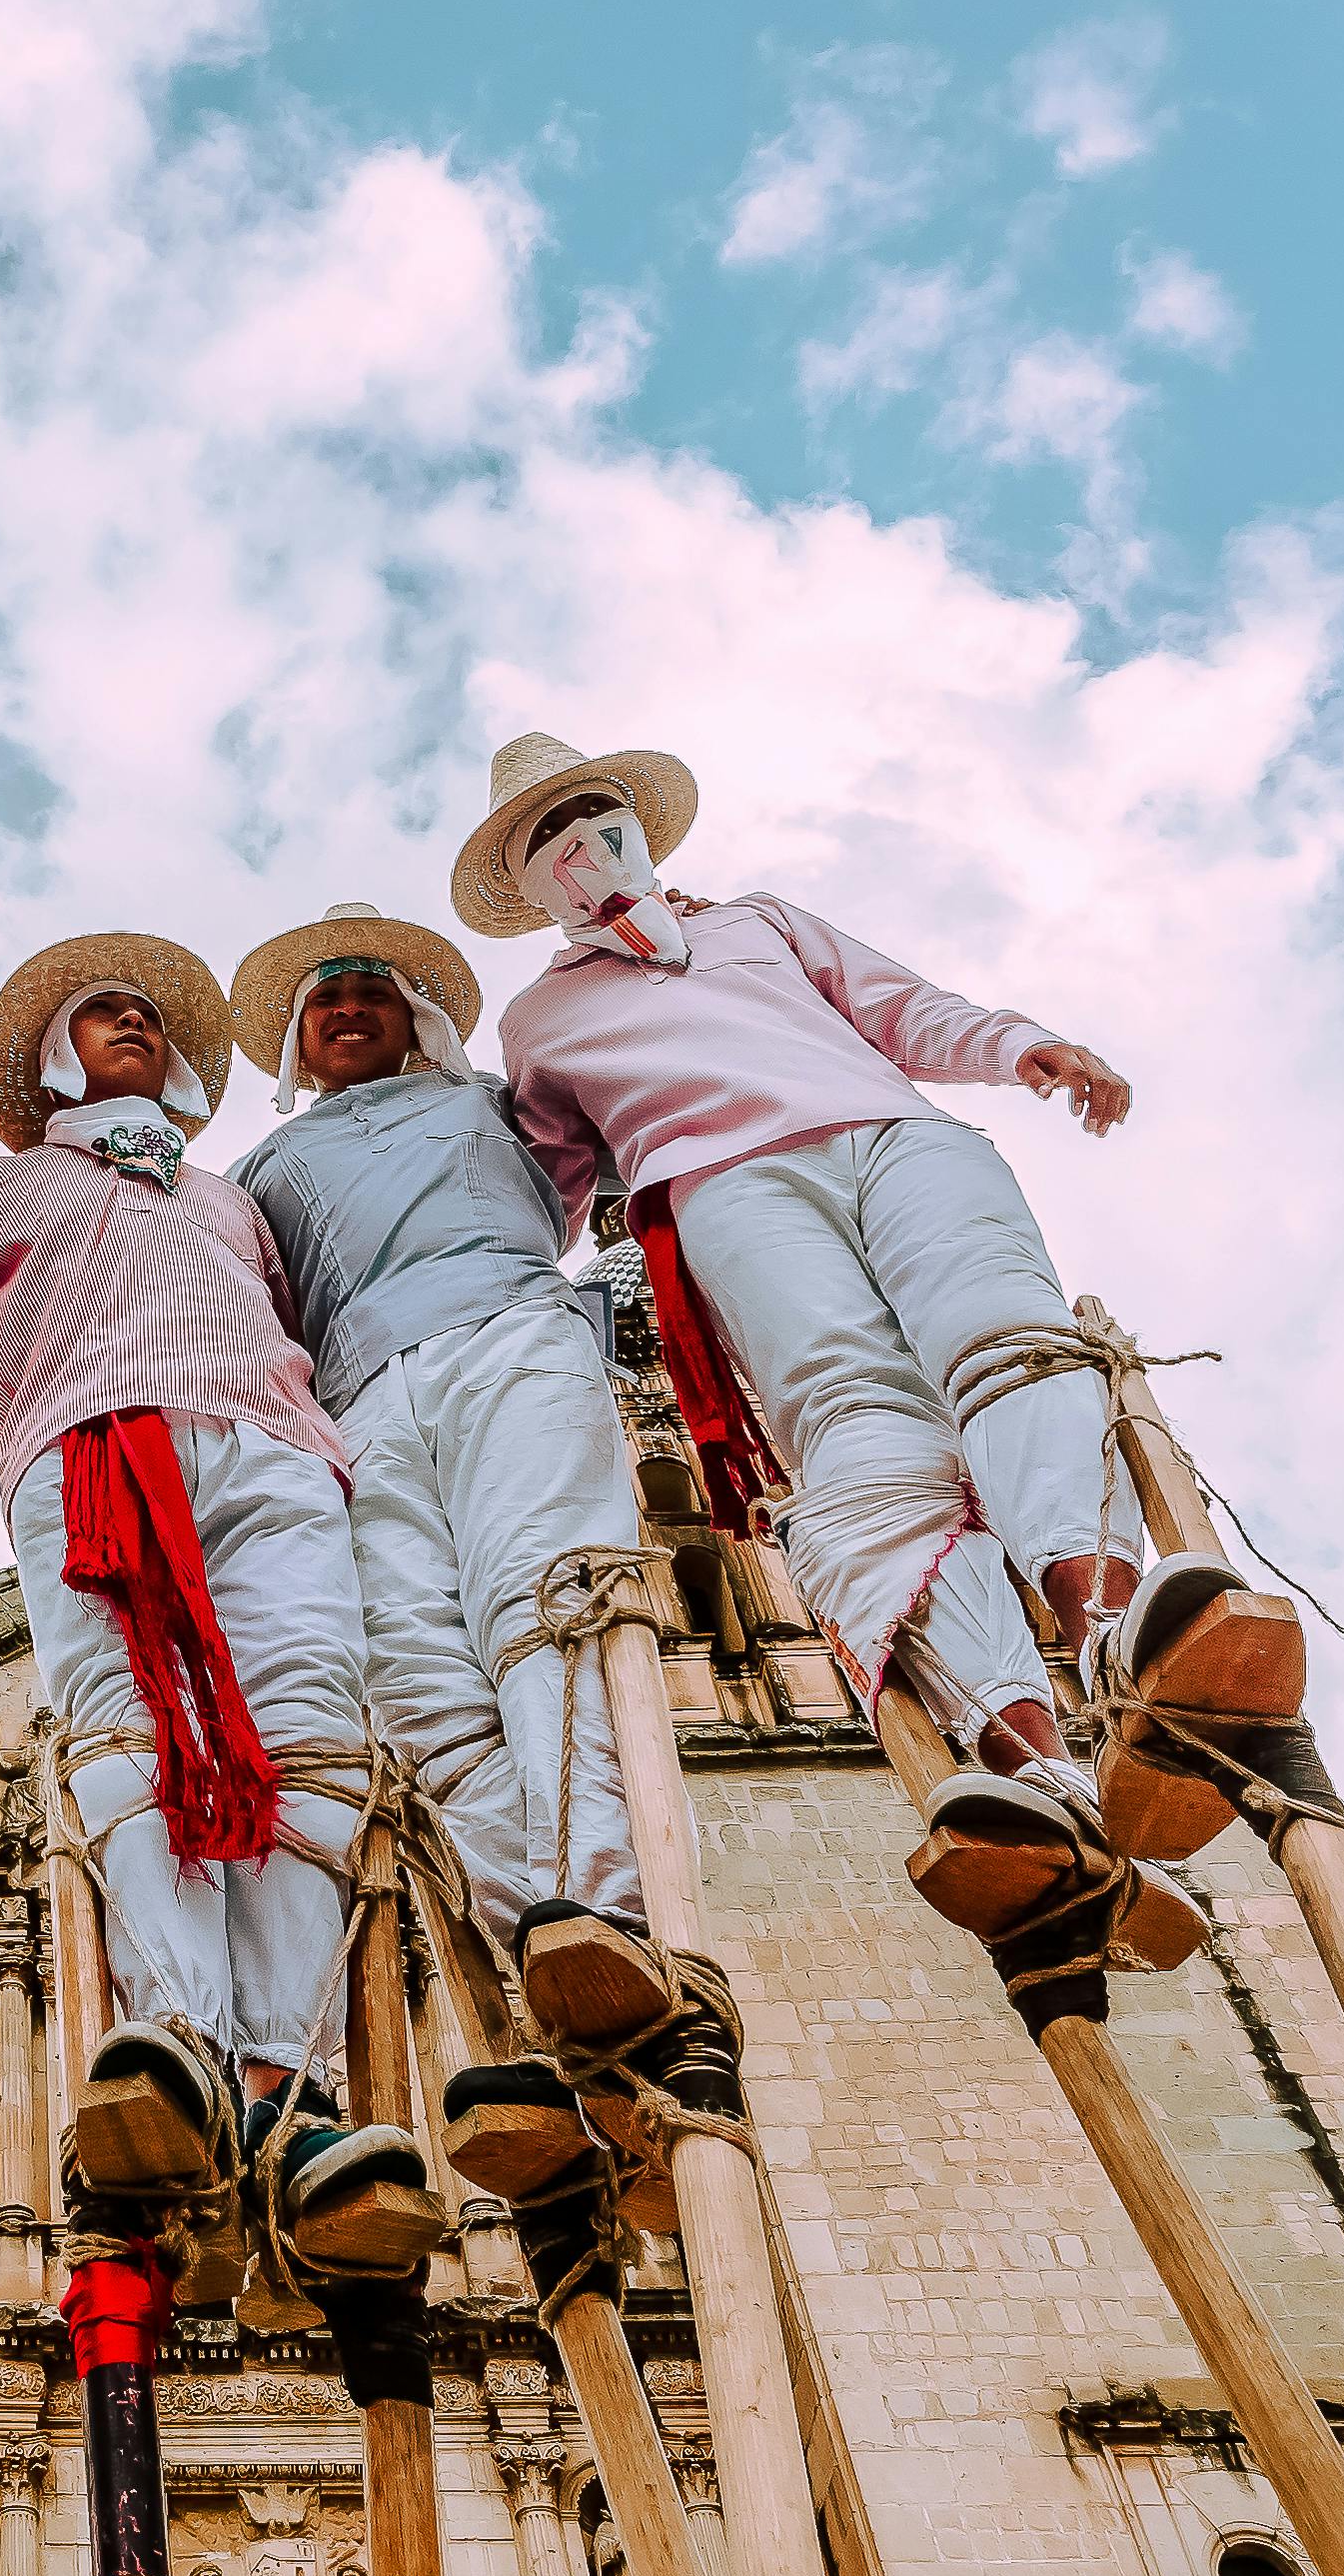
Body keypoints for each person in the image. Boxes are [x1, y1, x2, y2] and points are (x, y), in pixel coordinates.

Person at [454, 731, 1287, 1945]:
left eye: (597, 813)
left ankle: (1110, 1634)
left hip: (895, 1137)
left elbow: (893, 1005)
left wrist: (1016, 1046)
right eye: (550, 838)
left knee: (1014, 1342)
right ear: (530, 887)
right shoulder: (541, 1021)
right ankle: (1029, 1753)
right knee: (857, 1435)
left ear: (641, 822)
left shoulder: (757, 921)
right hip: (727, 1193)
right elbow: (553, 1185)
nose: (583, 845)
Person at [0, 935, 434, 2290]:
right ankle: (181, 2051)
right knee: (119, 1732)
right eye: (99, 1014)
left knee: (315, 1731)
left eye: (147, 1012)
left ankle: (288, 2068)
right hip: (89, 1450)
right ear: (45, 1066)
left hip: (276, 1448)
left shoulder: (231, 1201)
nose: (132, 1022)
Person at [230, 897, 667, 2053]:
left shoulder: (496, 1103)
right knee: (418, 1673)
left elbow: (630, 1094)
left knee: (548, 1598)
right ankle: (539, 1948)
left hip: (509, 1335)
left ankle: (608, 1902)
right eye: (323, 998)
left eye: (371, 987)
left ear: (415, 1011)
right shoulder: (260, 1165)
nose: (346, 1008)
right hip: (357, 1405)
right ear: (294, 1040)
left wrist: (657, 943)